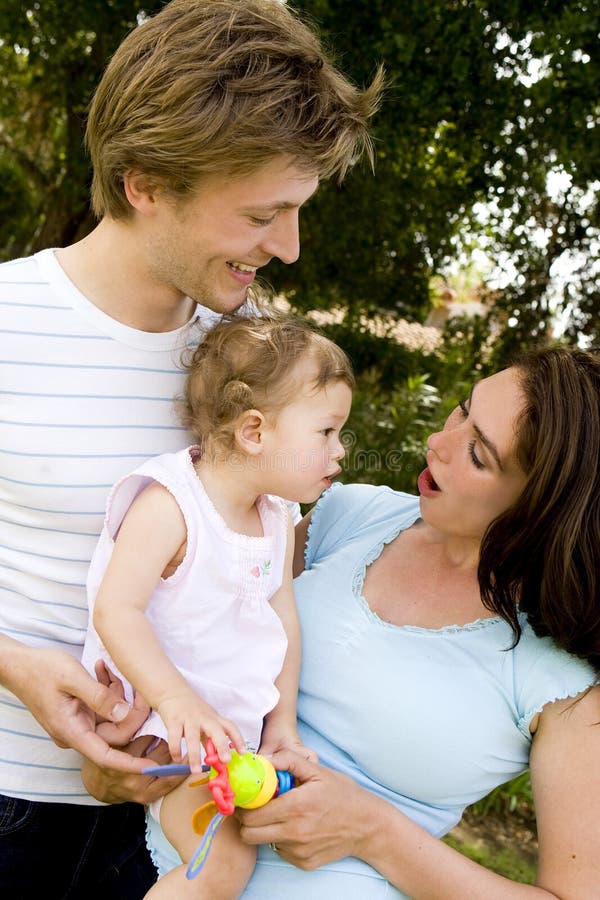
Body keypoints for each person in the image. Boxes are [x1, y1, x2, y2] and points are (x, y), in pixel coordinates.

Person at [0, 0, 382, 895]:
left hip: (185, 829)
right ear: (145, 183)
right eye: (262, 214)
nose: (288, 249)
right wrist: (12, 665)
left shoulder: (261, 368)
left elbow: (265, 579)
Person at [156, 344, 597, 898]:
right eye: (463, 409)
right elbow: (196, 621)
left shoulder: (564, 680)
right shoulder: (352, 514)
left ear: (544, 509)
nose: (439, 442)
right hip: (138, 851)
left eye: (479, 455)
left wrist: (374, 832)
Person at [81, 313, 353, 898]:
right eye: (327, 433)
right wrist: (175, 701)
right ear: (255, 432)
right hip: (160, 723)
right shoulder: (171, 504)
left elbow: (283, 626)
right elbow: (116, 610)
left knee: (242, 845)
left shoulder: (275, 517)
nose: (340, 451)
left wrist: (280, 725)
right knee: (223, 867)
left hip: (219, 738)